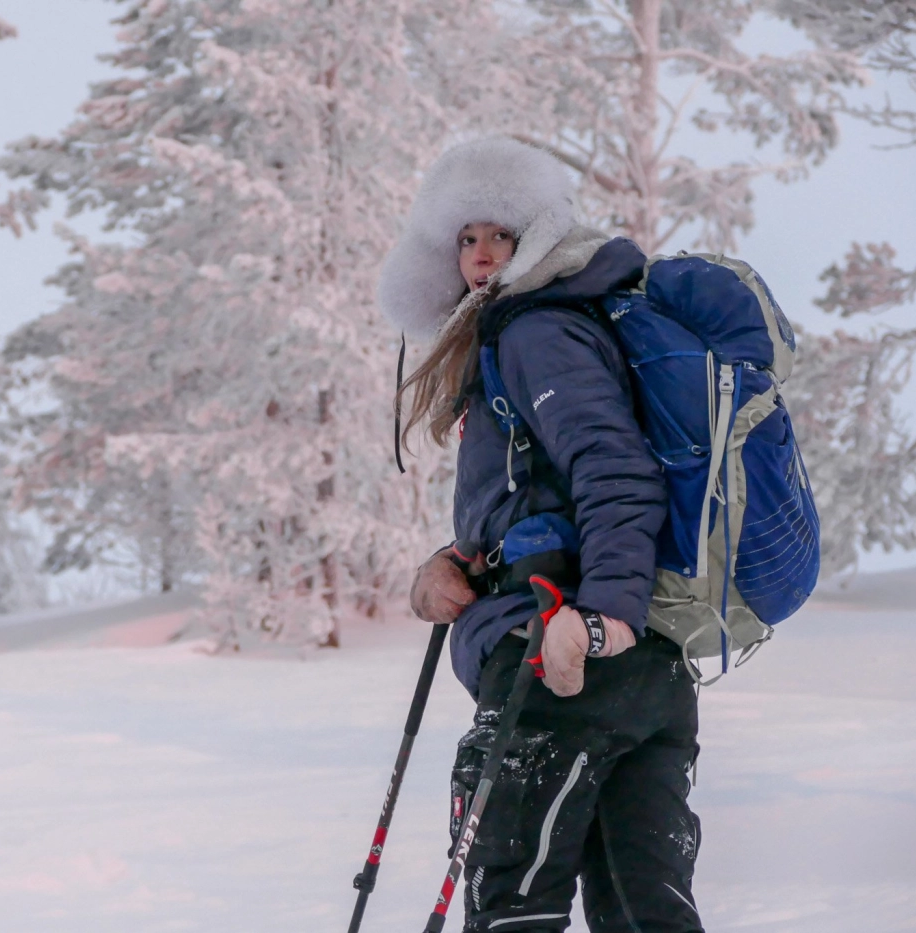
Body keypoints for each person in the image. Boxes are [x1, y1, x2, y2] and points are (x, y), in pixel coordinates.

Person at [378, 137, 705, 932]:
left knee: (511, 908)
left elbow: (615, 466)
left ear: (540, 235)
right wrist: (456, 562)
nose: (484, 256)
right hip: (640, 671)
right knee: (644, 912)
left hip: (561, 661)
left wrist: (603, 619)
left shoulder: (536, 331)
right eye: (467, 238)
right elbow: (543, 496)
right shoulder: (549, 327)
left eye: (502, 234)